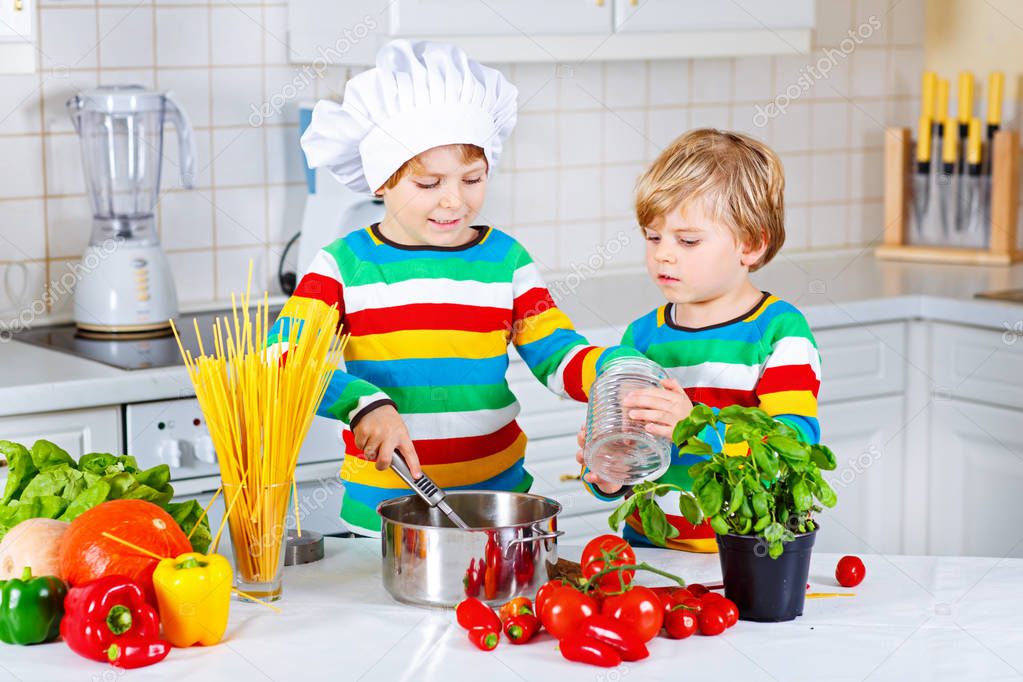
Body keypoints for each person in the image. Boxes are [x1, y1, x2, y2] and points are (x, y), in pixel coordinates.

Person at [274, 40, 636, 536]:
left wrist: (613, 373)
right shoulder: (342, 265)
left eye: (472, 178)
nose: (454, 201)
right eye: (430, 183)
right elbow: (284, 357)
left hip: (499, 505)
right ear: (381, 180)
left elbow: (557, 355)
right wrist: (362, 403)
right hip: (382, 516)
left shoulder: (505, 261)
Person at [578, 128, 822, 552]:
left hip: (747, 553)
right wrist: (610, 475)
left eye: (687, 240)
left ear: (751, 244)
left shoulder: (781, 332)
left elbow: (793, 448)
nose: (663, 254)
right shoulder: (642, 336)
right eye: (653, 237)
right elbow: (634, 463)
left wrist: (696, 427)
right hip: (651, 553)